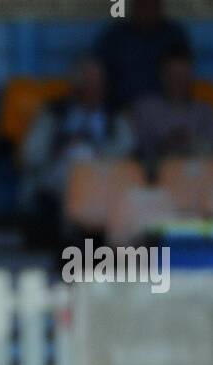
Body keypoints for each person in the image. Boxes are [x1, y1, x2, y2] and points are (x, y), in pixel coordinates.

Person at [19, 56, 135, 239]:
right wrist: (61, 149)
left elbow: (128, 150)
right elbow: (30, 154)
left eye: (97, 83)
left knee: (85, 156)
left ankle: (97, 238)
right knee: (77, 156)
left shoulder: (115, 115)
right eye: (87, 83)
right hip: (57, 177)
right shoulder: (54, 113)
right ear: (76, 85)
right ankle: (72, 236)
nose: (92, 89)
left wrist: (96, 154)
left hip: (104, 177)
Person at [129, 50, 213, 175]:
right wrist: (163, 145)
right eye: (173, 76)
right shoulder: (145, 109)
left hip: (198, 179)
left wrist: (189, 144)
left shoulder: (206, 112)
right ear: (162, 76)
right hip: (153, 181)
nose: (178, 81)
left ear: (191, 76)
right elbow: (131, 152)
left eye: (183, 76)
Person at [93, 0, 191, 112]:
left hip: (164, 115)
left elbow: (182, 81)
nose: (146, 7)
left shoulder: (173, 35)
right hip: (119, 112)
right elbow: (95, 73)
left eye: (151, 3)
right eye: (142, 3)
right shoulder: (115, 36)